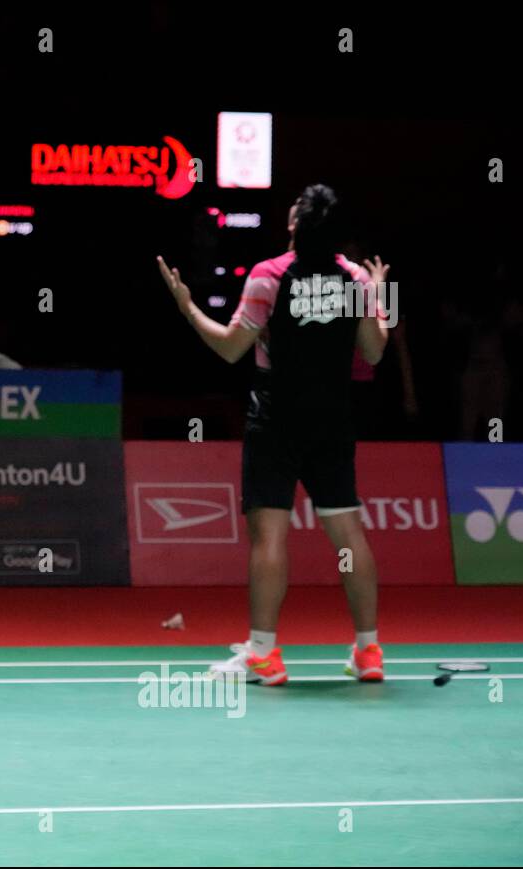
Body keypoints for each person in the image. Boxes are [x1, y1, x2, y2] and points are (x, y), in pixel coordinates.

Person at [157, 184, 390, 685]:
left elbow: (230, 348)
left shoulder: (268, 277)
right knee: (347, 535)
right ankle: (368, 651)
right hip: (331, 421)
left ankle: (263, 653)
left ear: (294, 227)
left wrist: (186, 307)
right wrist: (377, 293)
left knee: (270, 536)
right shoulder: (354, 279)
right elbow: (373, 352)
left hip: (277, 420)